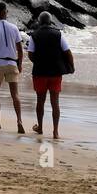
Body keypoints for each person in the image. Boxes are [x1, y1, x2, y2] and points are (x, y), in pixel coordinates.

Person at [27, 11, 74, 139]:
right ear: (50, 21)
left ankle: (40, 127)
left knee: (40, 101)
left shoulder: (34, 35)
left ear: (39, 22)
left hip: (40, 72)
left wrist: (38, 62)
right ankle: (55, 131)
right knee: (55, 103)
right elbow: (67, 51)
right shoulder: (58, 34)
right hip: (55, 72)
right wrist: (71, 66)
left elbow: (30, 54)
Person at [0, 1, 25, 134]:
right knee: (15, 95)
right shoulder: (14, 28)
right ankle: (19, 121)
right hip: (12, 63)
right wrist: (19, 64)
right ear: (5, 12)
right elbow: (20, 49)